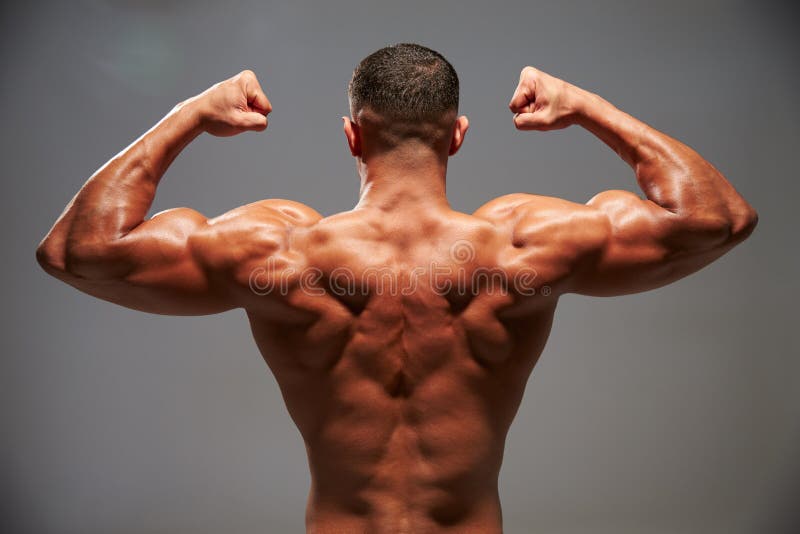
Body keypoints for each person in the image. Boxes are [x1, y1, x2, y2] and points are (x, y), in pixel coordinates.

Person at [36, 43, 757, 533]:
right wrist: (585, 105)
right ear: (458, 135)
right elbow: (716, 217)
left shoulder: (281, 254)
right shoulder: (521, 248)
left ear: (353, 136)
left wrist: (191, 112)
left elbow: (78, 250)